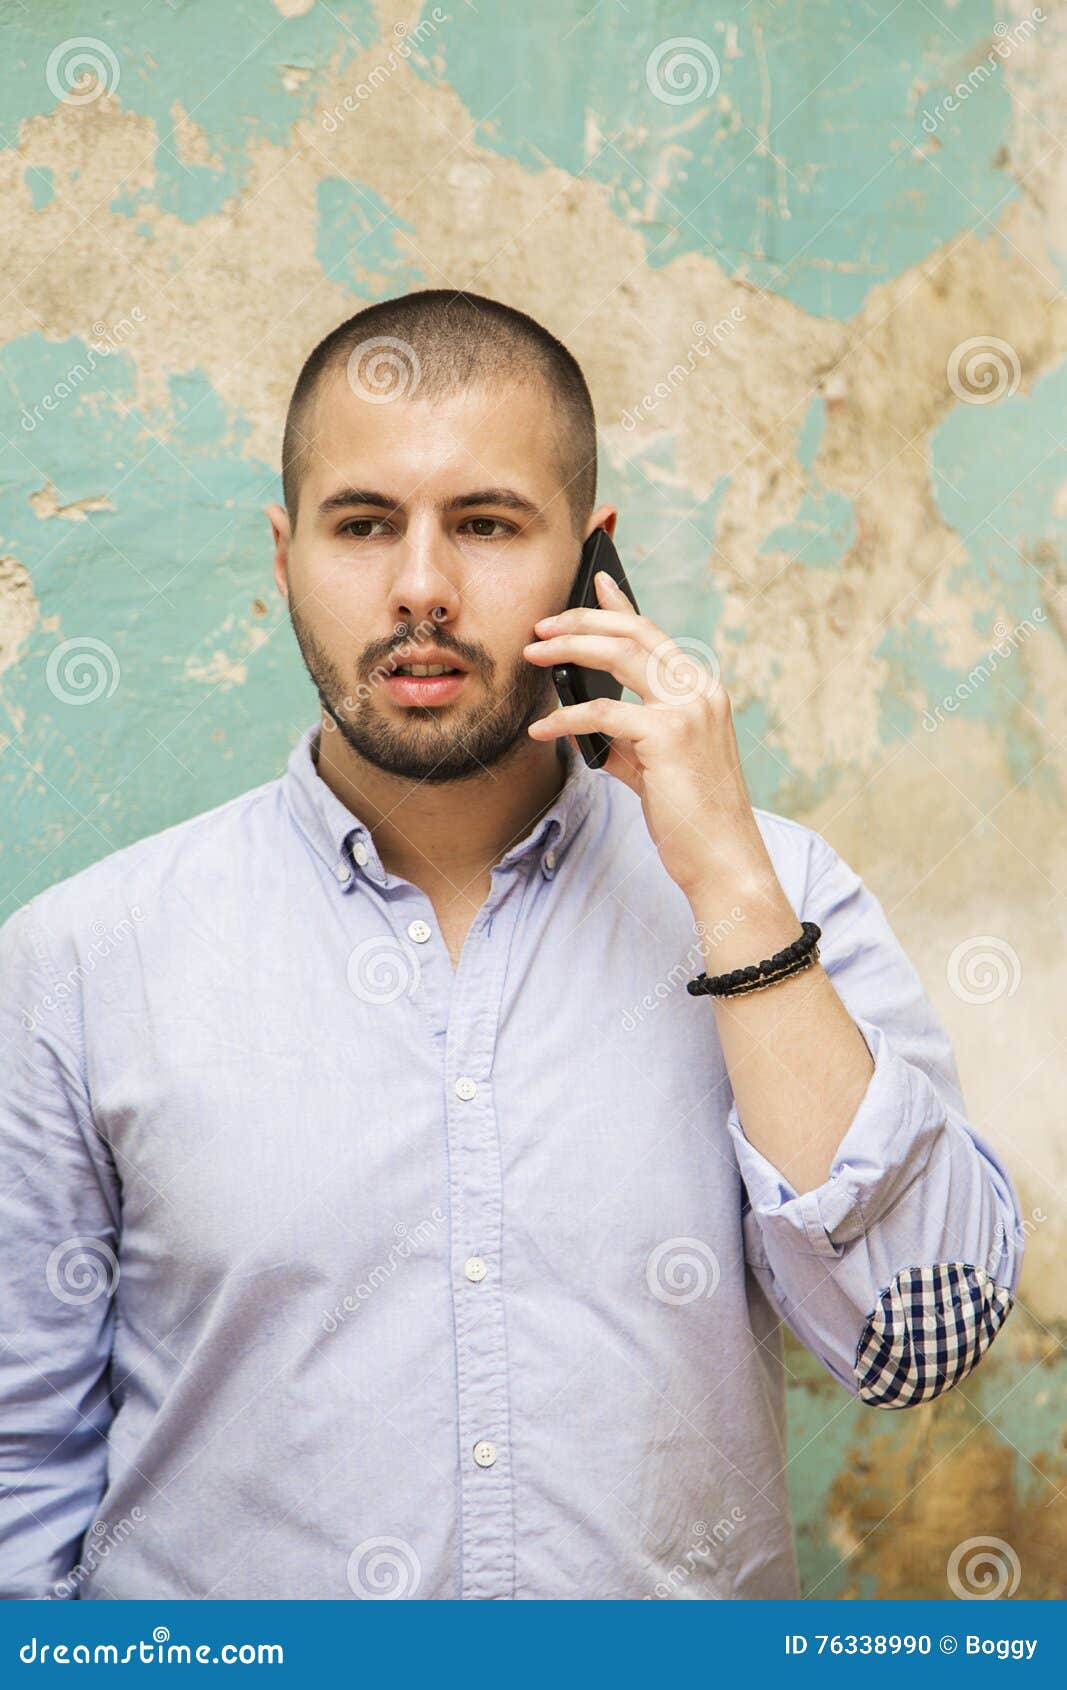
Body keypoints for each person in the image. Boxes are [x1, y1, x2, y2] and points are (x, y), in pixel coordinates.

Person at [0, 289, 1023, 1601]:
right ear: (285, 558)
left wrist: (728, 882)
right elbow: (18, 1482)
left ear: (593, 566)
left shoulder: (781, 894)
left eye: (485, 524)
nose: (422, 588)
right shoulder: (84, 962)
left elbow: (921, 1340)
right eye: (364, 524)